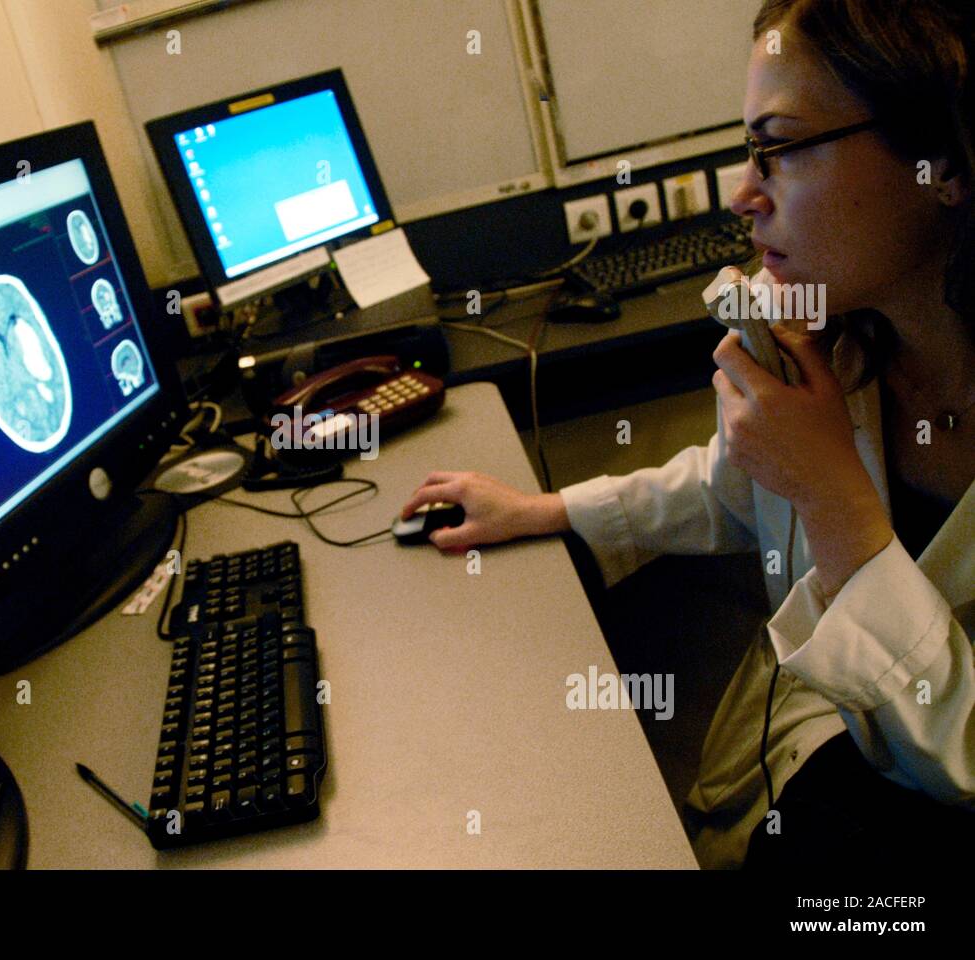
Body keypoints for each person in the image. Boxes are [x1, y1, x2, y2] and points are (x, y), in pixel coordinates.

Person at [402, 0, 975, 868]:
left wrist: (836, 501)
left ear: (946, 162)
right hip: (810, 764)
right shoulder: (829, 333)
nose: (743, 196)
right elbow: (732, 488)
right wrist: (544, 510)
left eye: (779, 149)